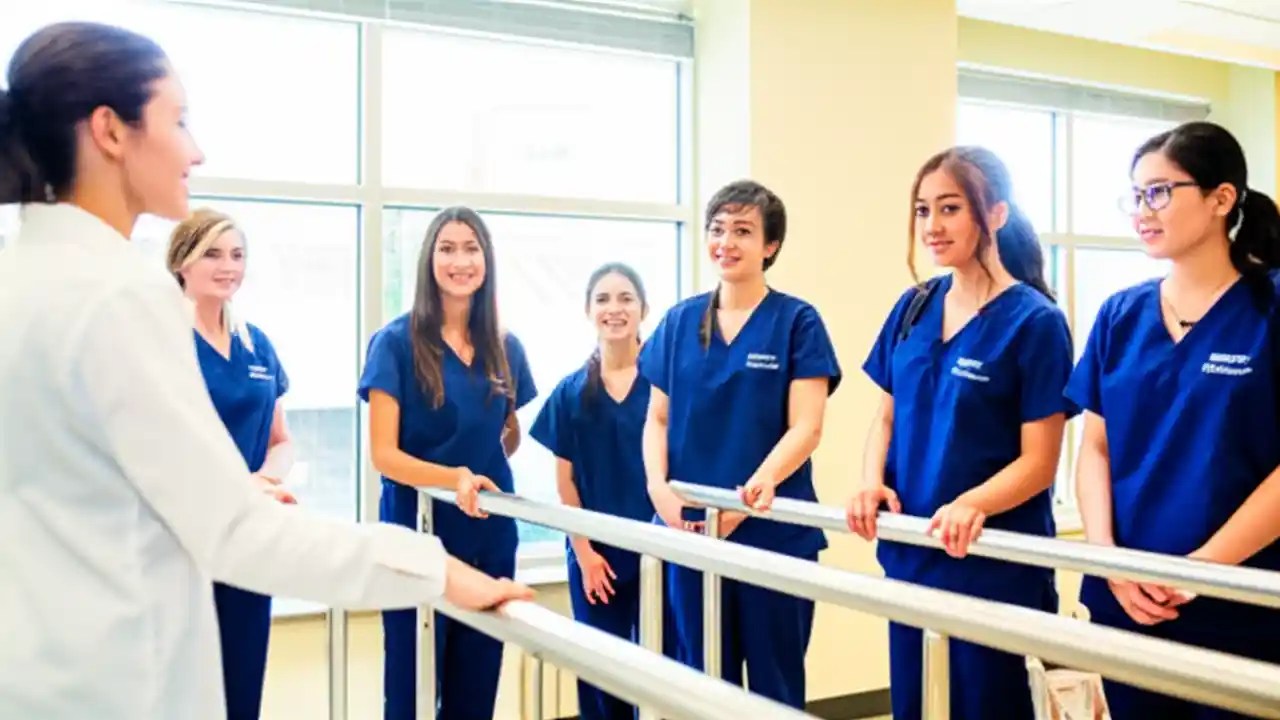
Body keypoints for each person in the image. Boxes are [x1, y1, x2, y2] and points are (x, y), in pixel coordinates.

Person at [0, 21, 531, 720]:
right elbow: (237, 529)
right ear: (109, 131)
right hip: (115, 679)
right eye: (178, 120)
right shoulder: (122, 296)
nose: (195, 150)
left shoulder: (22, 276)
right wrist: (442, 573)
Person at [847, 146, 1076, 720]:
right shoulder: (913, 307)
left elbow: (1040, 461)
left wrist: (973, 503)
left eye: (950, 208)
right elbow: (886, 417)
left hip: (991, 563)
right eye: (923, 210)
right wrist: (870, 481)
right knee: (916, 705)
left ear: (995, 213)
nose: (932, 225)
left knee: (987, 707)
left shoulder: (1036, 322)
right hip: (913, 552)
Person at [1065, 121, 1280, 719]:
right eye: (1136, 195)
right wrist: (1107, 559)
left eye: (1159, 192)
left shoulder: (1270, 309)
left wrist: (1202, 571)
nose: (1143, 210)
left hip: (1243, 602)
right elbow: (1095, 449)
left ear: (1221, 198)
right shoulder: (1120, 314)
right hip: (1127, 598)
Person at [639, 179, 841, 709]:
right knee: (703, 683)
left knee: (775, 688)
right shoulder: (680, 322)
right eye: (718, 229)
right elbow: (657, 418)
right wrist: (659, 490)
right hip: (691, 530)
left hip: (772, 533)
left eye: (743, 231)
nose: (726, 242)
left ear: (770, 245)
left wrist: (750, 496)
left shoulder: (797, 322)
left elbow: (807, 427)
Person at [359, 206, 537, 720]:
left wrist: (479, 469)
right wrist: (453, 476)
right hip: (418, 531)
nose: (461, 261)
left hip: (488, 534)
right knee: (411, 689)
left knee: (476, 689)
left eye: (471, 249)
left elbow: (506, 434)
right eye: (447, 249)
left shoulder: (505, 346)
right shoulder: (395, 343)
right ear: (428, 260)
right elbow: (383, 455)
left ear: (487, 260)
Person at [529, 262, 676, 720]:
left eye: (626, 298)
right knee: (601, 676)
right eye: (604, 299)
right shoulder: (571, 393)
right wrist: (585, 554)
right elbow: (565, 483)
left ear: (644, 309)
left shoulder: (665, 387)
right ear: (588, 311)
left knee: (664, 672)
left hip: (660, 551)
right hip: (596, 558)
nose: (615, 308)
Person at [166, 208, 297, 720]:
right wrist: (234, 487)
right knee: (184, 691)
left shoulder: (255, 344)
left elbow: (282, 441)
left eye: (237, 255)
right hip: (182, 539)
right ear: (182, 262)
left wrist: (263, 480)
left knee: (242, 686)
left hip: (248, 537)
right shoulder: (161, 339)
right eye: (213, 254)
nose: (228, 267)